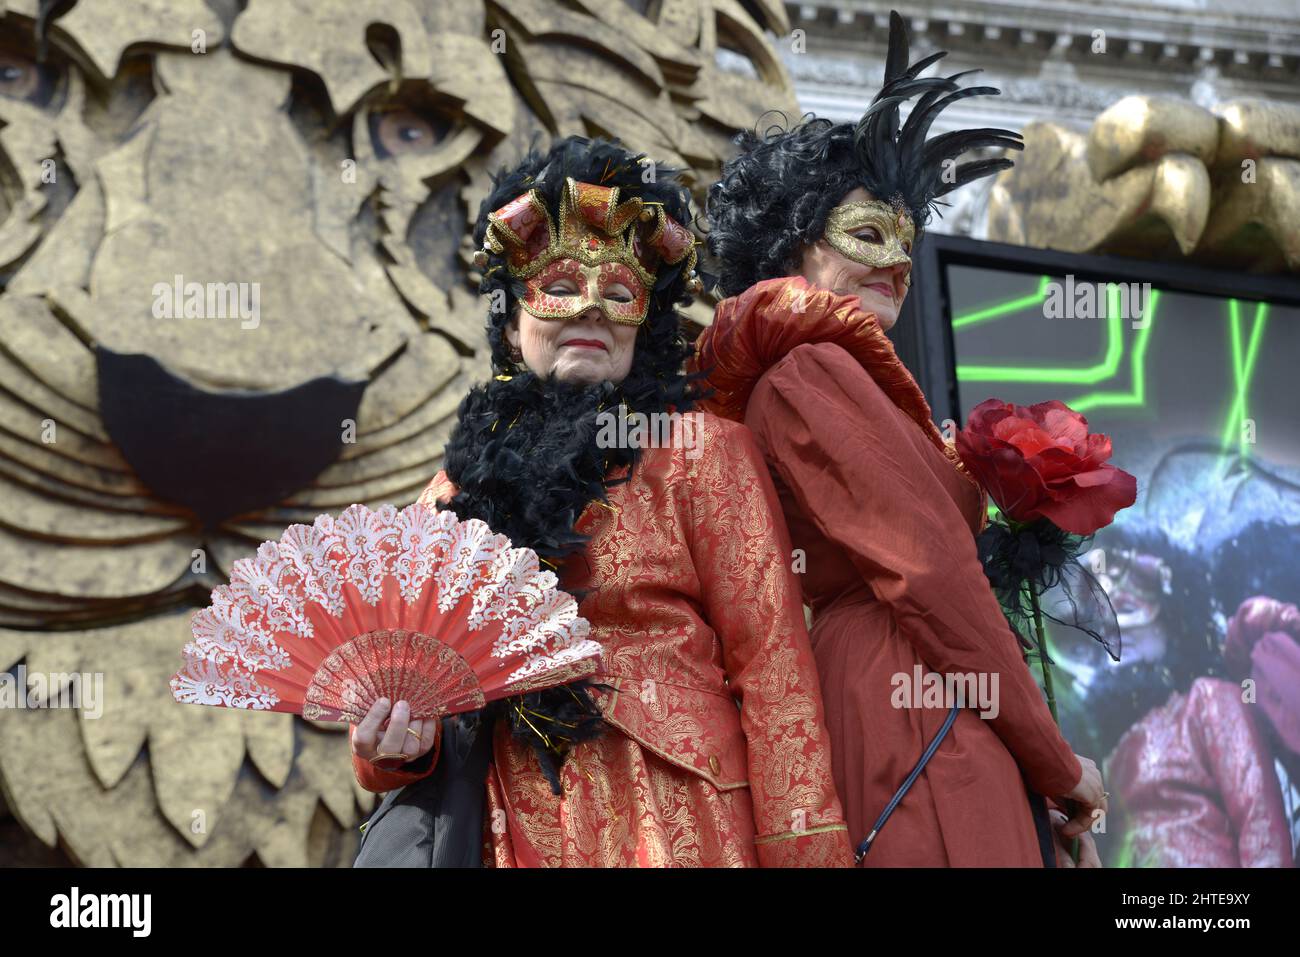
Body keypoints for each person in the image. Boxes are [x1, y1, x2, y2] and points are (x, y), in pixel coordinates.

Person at [347, 136, 853, 867]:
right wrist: (389, 747)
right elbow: (408, 700)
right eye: (558, 284)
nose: (591, 307)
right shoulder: (455, 492)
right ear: (514, 319)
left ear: (644, 323)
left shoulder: (701, 451)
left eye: (619, 292)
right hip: (507, 822)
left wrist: (806, 852)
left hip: (678, 818)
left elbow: (774, 670)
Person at [692, 12, 1104, 867]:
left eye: (906, 242)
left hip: (917, 688)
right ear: (792, 248)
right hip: (906, 702)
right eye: (865, 234)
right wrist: (1057, 762)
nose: (895, 263)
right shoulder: (811, 372)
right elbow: (931, 574)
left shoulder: (827, 371)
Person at [1106, 520, 1300, 867]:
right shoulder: (1113, 748)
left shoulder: (1215, 694)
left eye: (1128, 606)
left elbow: (1260, 823)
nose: (1115, 628)